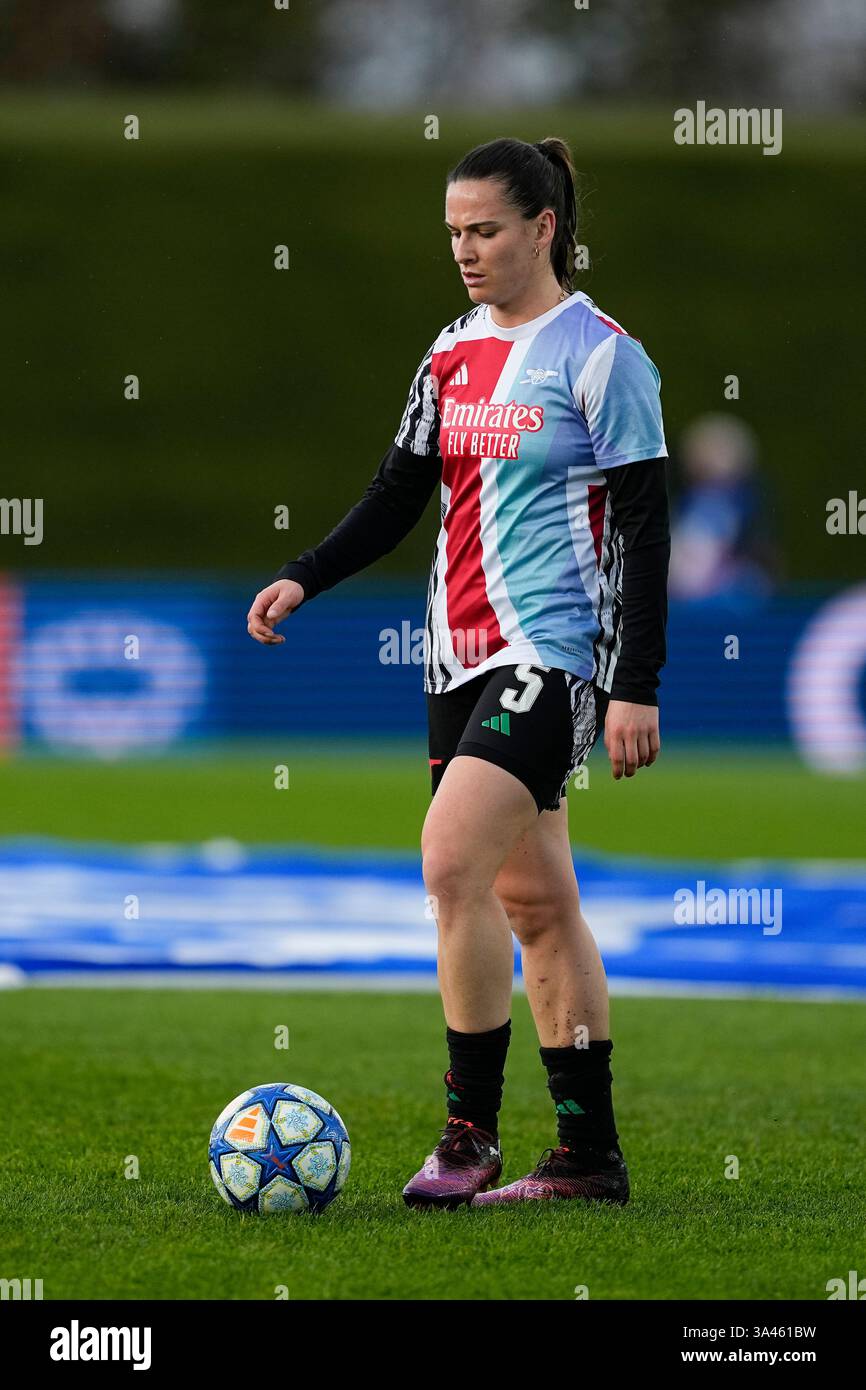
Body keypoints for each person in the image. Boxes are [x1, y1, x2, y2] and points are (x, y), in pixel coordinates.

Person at [247, 136, 671, 1208]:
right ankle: (586, 1155)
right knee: (534, 902)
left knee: (448, 865)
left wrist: (636, 683)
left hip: (554, 656)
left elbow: (643, 530)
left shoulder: (603, 356)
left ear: (543, 227)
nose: (465, 251)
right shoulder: (448, 351)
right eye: (452, 234)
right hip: (453, 656)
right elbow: (397, 492)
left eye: (484, 230)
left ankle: (467, 1134)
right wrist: (307, 574)